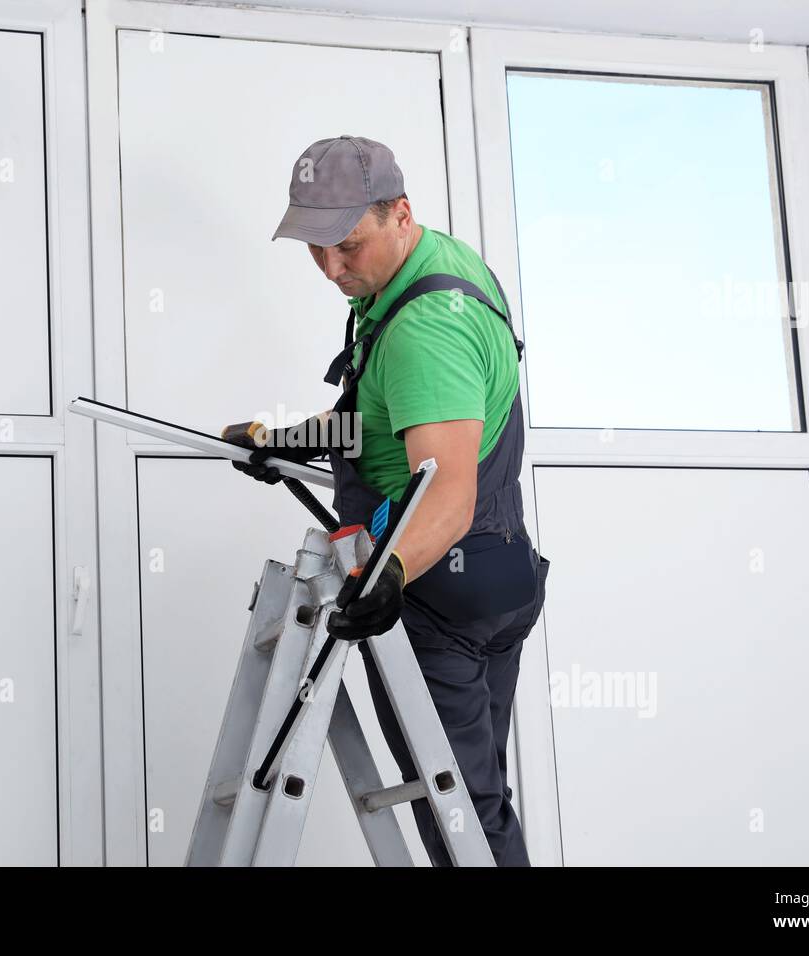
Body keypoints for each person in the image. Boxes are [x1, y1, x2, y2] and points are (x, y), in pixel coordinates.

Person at [224, 135, 550, 867]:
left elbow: (449, 493)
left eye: (348, 245)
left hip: (442, 583)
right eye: (315, 249)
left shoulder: (426, 328)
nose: (333, 269)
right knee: (477, 801)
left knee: (458, 816)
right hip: (495, 572)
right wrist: (290, 440)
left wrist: (391, 572)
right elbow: (384, 415)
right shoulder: (425, 271)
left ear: (400, 213)